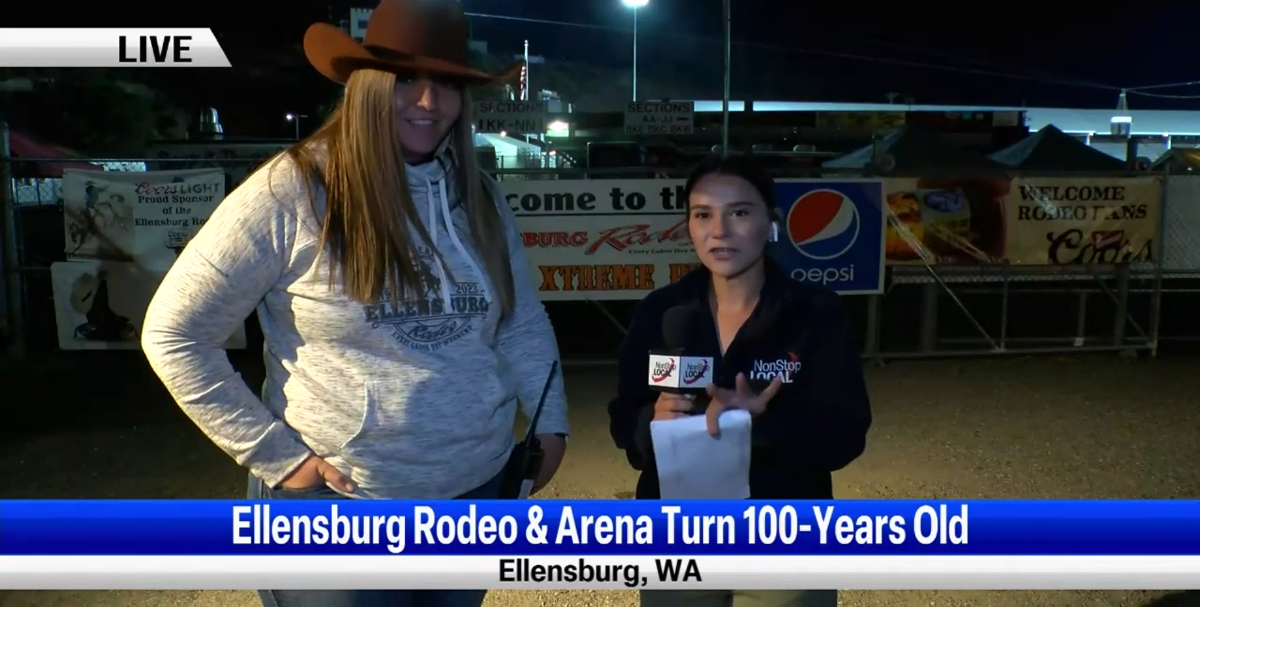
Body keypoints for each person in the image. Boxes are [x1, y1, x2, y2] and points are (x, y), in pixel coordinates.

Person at [140, 0, 570, 608]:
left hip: (476, 496)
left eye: (446, 83)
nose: (428, 102)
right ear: (367, 85)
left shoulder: (480, 198)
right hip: (339, 509)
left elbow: (521, 322)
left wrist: (551, 420)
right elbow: (173, 332)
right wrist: (282, 460)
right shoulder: (292, 190)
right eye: (406, 80)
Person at [608, 154, 873, 608]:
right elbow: (623, 418)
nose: (719, 230)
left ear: (772, 222)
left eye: (740, 212)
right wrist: (650, 422)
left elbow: (845, 436)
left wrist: (762, 424)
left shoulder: (814, 313)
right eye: (703, 214)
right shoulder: (661, 312)